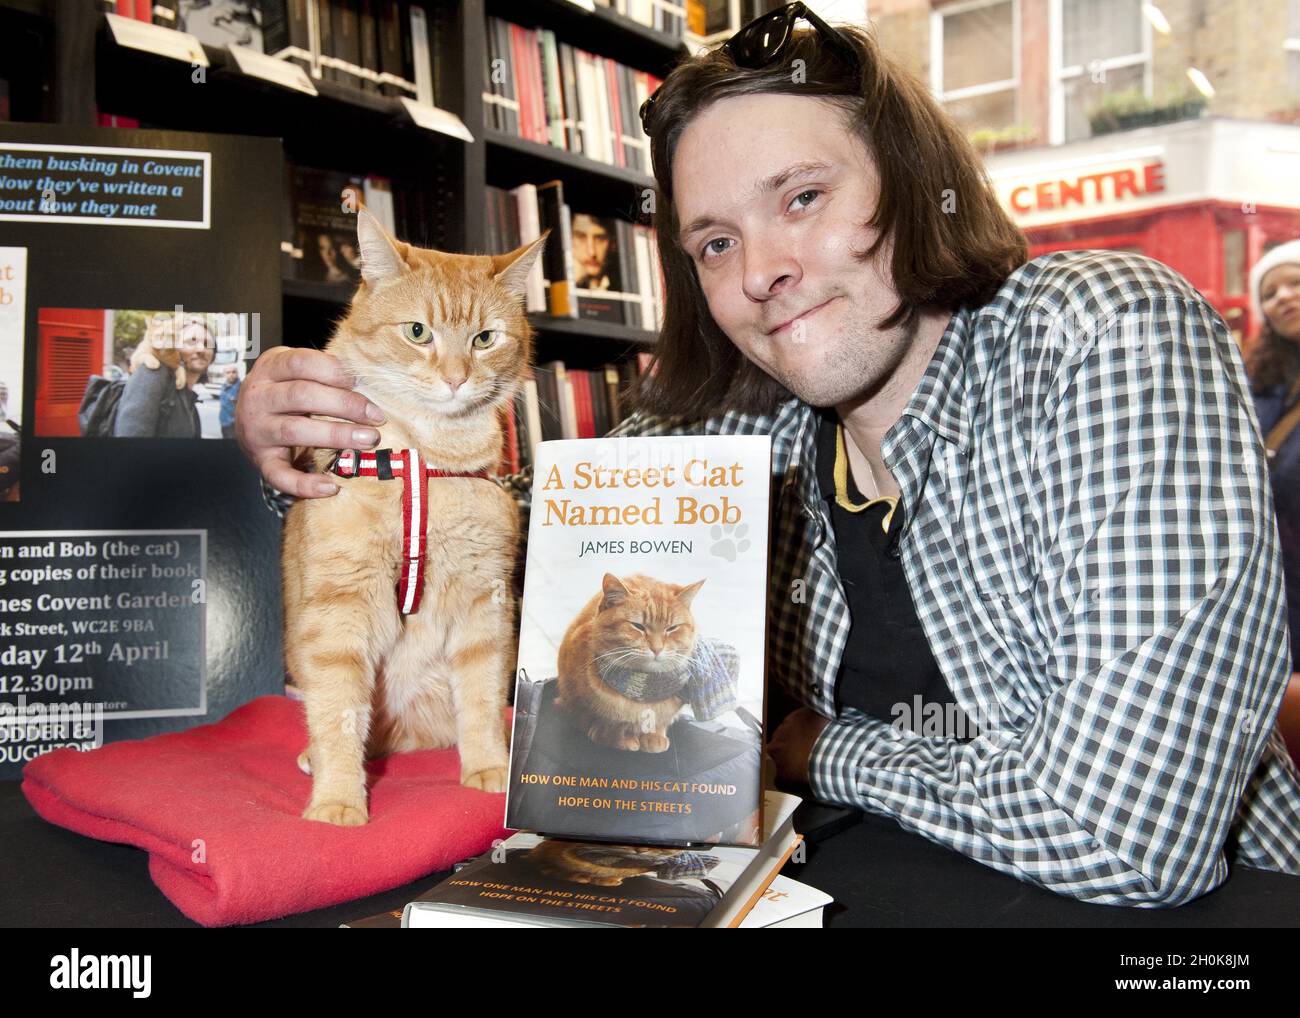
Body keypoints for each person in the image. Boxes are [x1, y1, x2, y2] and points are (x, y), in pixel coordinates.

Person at [237, 8, 1300, 905]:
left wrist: (809, 744)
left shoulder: (1100, 336)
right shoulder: (745, 423)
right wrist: (326, 439)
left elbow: (1129, 841)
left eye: (802, 198)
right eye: (714, 241)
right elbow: (510, 534)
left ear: (913, 180)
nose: (761, 272)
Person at [1245, 239, 1300, 754]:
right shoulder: (1257, 382)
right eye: (1270, 292)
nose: (1283, 296)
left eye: (1295, 283)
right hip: (1279, 590)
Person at [115, 314, 215, 438]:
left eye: (207, 343)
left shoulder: (189, 399)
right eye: (192, 341)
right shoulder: (153, 373)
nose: (201, 349)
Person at [220, 365, 241, 440]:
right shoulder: (224, 386)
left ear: (237, 373)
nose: (231, 374)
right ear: (224, 374)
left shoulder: (241, 387)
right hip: (224, 422)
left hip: (233, 424)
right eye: (228, 372)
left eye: (233, 372)